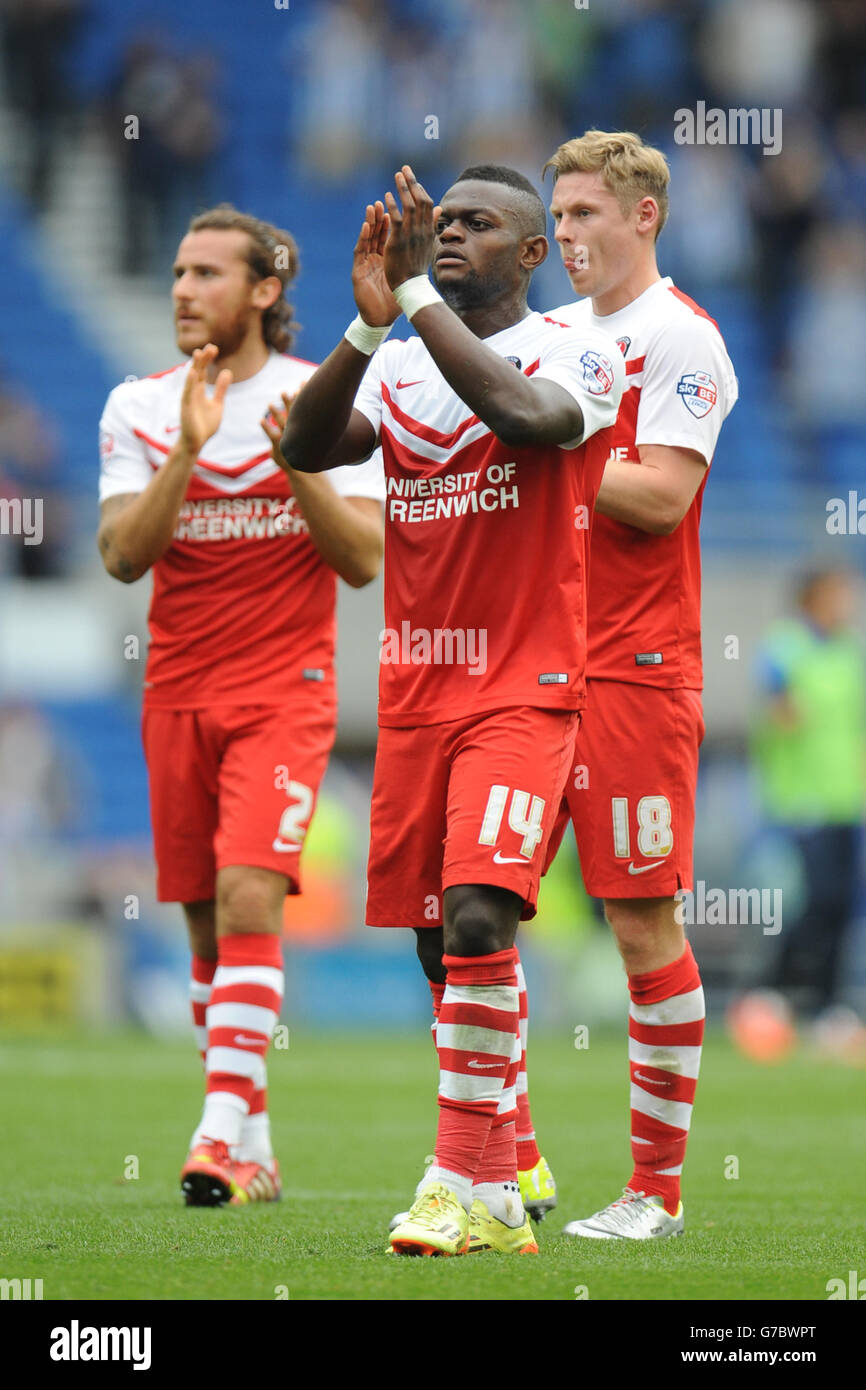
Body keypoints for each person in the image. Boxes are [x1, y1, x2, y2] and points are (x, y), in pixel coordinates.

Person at [280, 162, 624, 1255]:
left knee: (481, 914)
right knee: (441, 950)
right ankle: (505, 1162)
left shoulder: (575, 348)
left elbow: (524, 418)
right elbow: (297, 448)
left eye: (476, 224)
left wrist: (420, 309)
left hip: (523, 688)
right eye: (442, 222)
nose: (446, 234)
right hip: (417, 698)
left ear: (532, 254)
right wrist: (367, 318)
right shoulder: (403, 365)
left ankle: (451, 1182)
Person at [97, 204, 385, 1206]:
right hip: (175, 692)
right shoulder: (136, 406)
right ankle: (253, 1144)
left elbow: (360, 562)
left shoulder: (327, 400)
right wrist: (185, 451)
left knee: (249, 896)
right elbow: (122, 556)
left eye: (207, 273)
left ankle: (215, 1135)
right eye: (177, 272)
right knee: (205, 936)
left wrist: (292, 463)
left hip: (284, 696)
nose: (183, 290)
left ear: (265, 291)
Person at [533, 131, 738, 1239]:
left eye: (582, 215)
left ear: (642, 214)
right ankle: (498, 1161)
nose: (564, 236)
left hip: (633, 668)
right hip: (528, 660)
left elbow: (658, 498)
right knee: (462, 905)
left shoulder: (681, 338)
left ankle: (652, 1194)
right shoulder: (547, 337)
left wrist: (538, 439)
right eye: (555, 217)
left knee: (638, 920)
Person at [734, 567, 866, 1056]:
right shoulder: (785, 646)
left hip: (845, 798)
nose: (846, 603)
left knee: (840, 906)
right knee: (815, 901)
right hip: (800, 799)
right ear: (813, 597)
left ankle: (828, 1010)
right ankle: (767, 993)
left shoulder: (848, 652)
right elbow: (776, 708)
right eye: (837, 593)